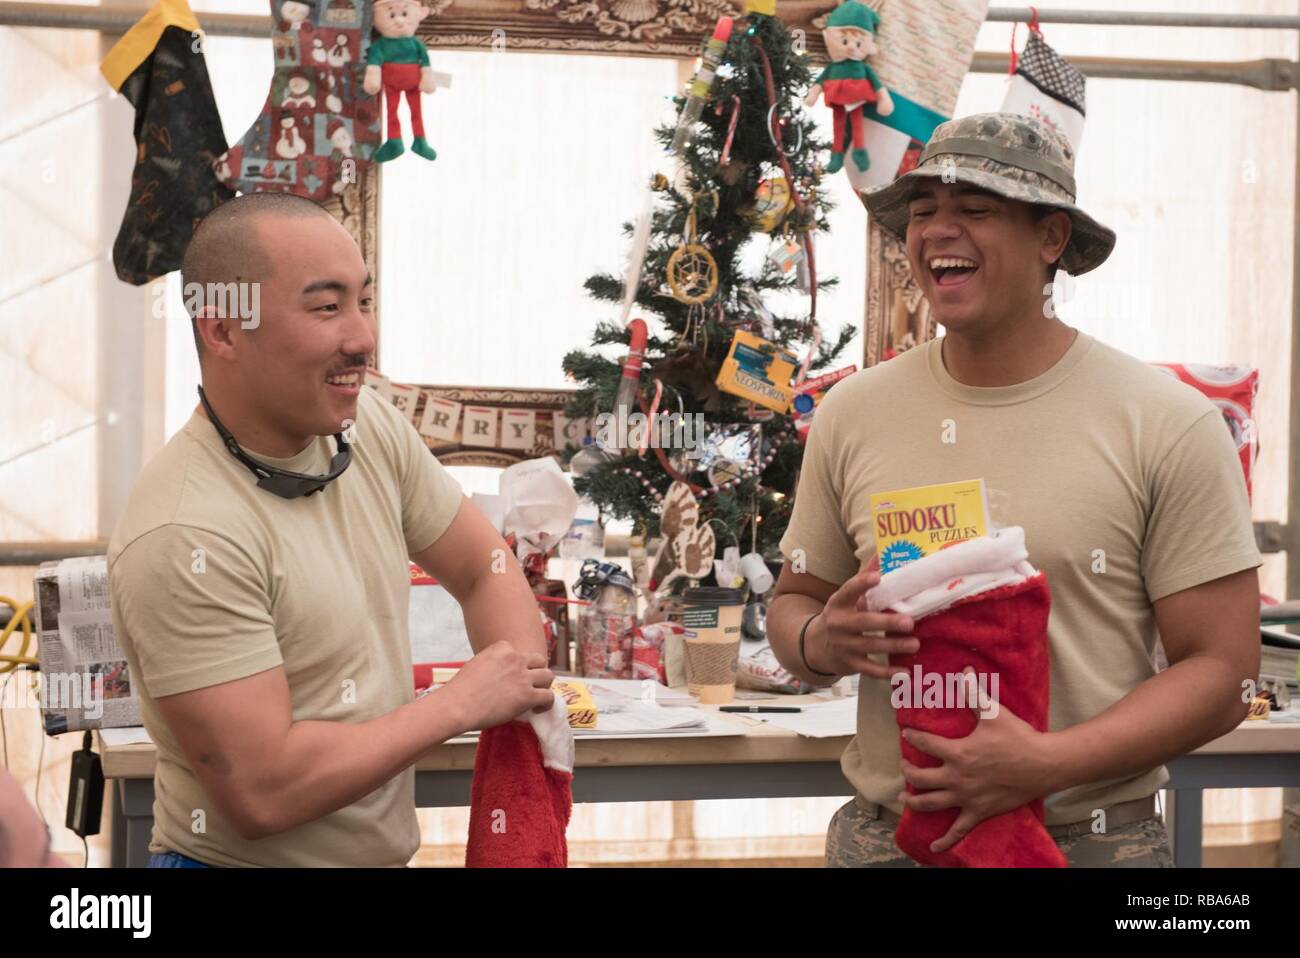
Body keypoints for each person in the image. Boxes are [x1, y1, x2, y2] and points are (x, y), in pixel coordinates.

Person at [769, 112, 1261, 867]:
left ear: (1052, 239)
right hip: (890, 842)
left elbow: (1226, 673)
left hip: (1089, 843)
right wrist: (819, 640)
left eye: (976, 209)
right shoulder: (855, 412)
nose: (938, 231)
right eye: (923, 211)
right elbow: (796, 605)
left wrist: (1047, 763)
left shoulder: (1164, 422)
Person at [108, 192, 555, 867]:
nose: (362, 338)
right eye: (325, 307)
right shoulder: (184, 533)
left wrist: (521, 692)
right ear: (223, 330)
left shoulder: (366, 427)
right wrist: (459, 704)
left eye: (363, 301)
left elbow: (480, 567)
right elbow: (264, 792)